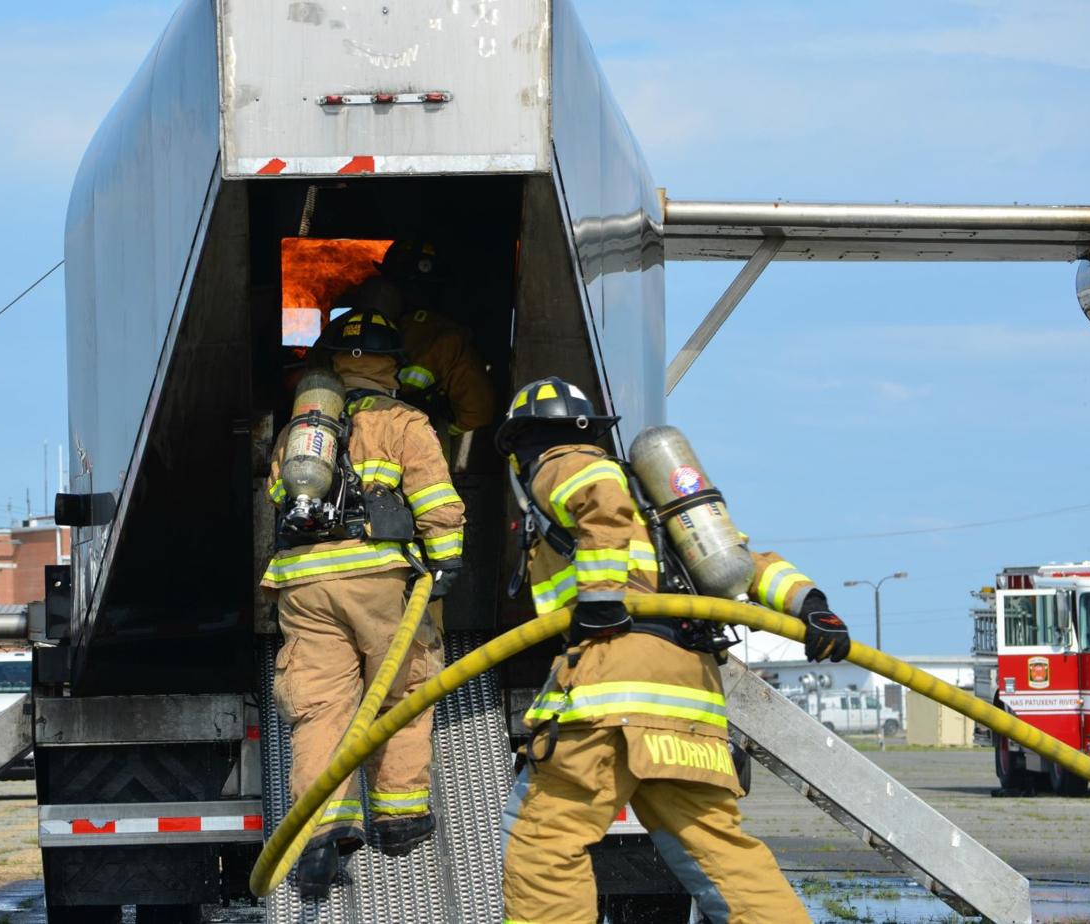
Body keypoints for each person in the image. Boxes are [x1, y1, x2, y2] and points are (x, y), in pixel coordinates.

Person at [496, 376, 849, 924]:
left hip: (613, 689)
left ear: (527, 439)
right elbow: (745, 563)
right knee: (722, 857)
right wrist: (812, 604)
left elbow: (599, 504)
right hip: (689, 702)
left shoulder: (561, 461)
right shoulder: (661, 513)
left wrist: (604, 595)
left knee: (543, 840)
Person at [261, 309, 466, 897]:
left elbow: (281, 493)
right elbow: (436, 499)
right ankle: (400, 817)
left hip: (302, 588)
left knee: (320, 708)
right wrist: (447, 563)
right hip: (380, 579)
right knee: (402, 688)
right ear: (392, 364)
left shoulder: (300, 436)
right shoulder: (404, 421)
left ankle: (322, 829)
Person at [338, 241, 497, 444]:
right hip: (415, 456)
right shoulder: (446, 337)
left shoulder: (340, 330)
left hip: (338, 447)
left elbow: (311, 381)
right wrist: (436, 434)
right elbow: (477, 413)